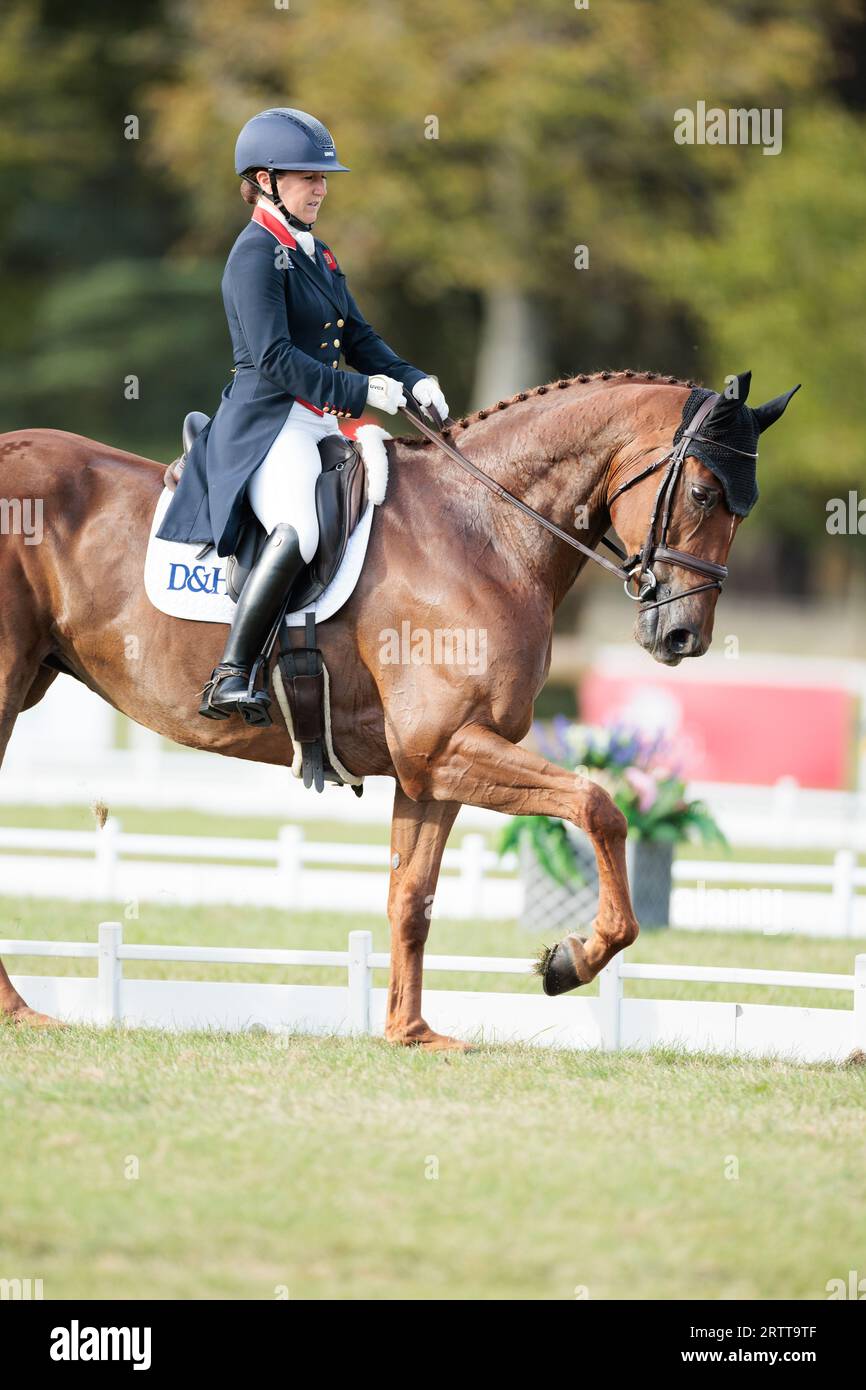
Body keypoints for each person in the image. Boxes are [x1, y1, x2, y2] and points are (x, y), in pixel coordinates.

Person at [156, 107, 448, 724]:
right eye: (305, 177)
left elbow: (360, 337)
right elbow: (272, 359)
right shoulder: (254, 255)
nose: (320, 188)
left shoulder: (319, 255)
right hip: (268, 424)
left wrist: (412, 377)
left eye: (323, 178)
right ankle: (231, 673)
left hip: (316, 420)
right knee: (300, 529)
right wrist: (362, 391)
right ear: (265, 180)